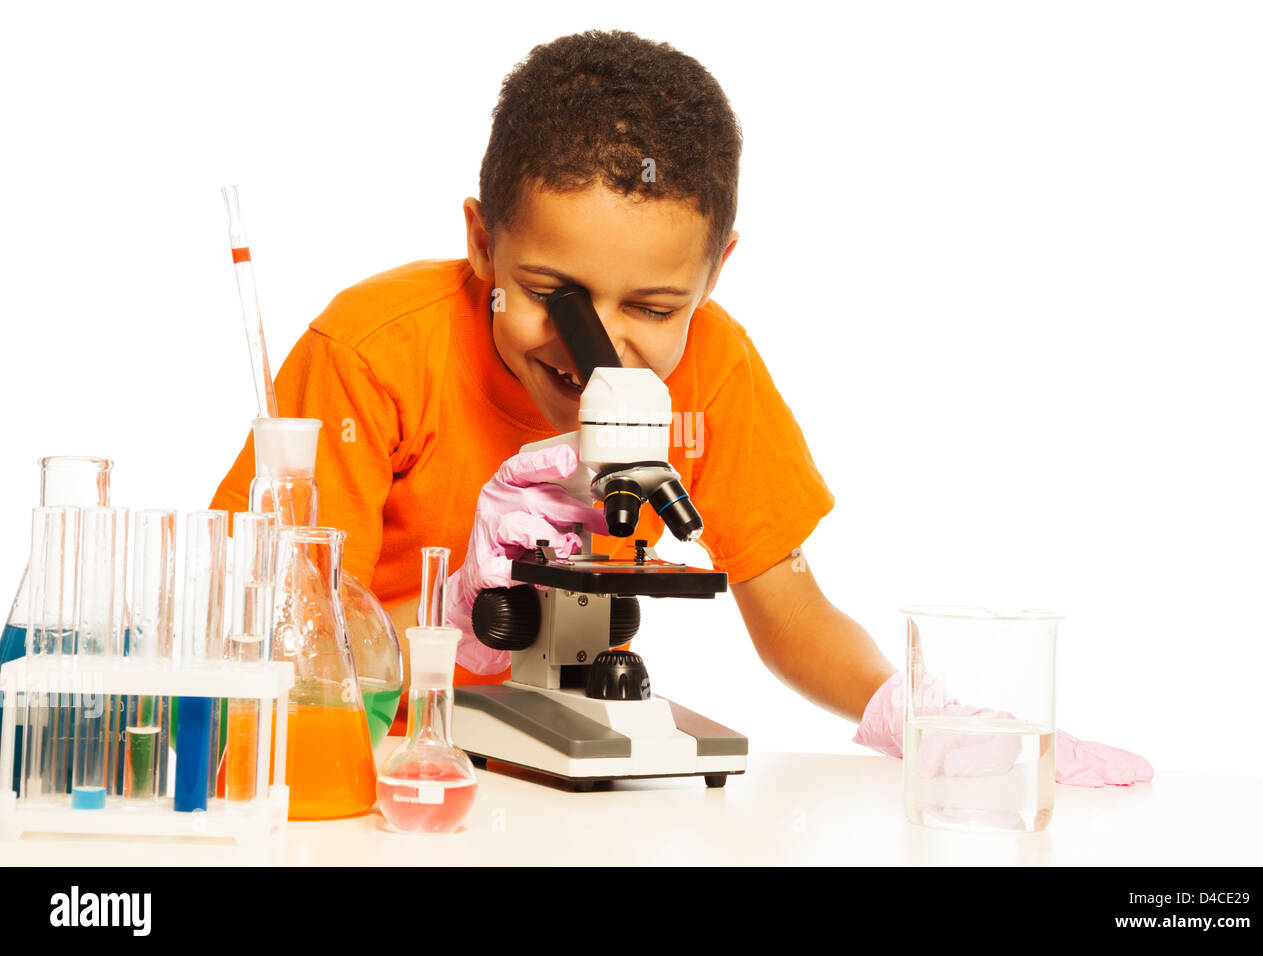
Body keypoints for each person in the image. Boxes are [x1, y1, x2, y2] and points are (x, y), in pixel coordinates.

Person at [211, 29, 1150, 786]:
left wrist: (913, 714)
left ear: (713, 277)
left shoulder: (715, 365)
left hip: (553, 767)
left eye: (655, 310)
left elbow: (785, 600)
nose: (602, 351)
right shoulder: (375, 350)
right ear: (484, 245)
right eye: (557, 295)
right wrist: (454, 613)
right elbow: (267, 618)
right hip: (371, 763)